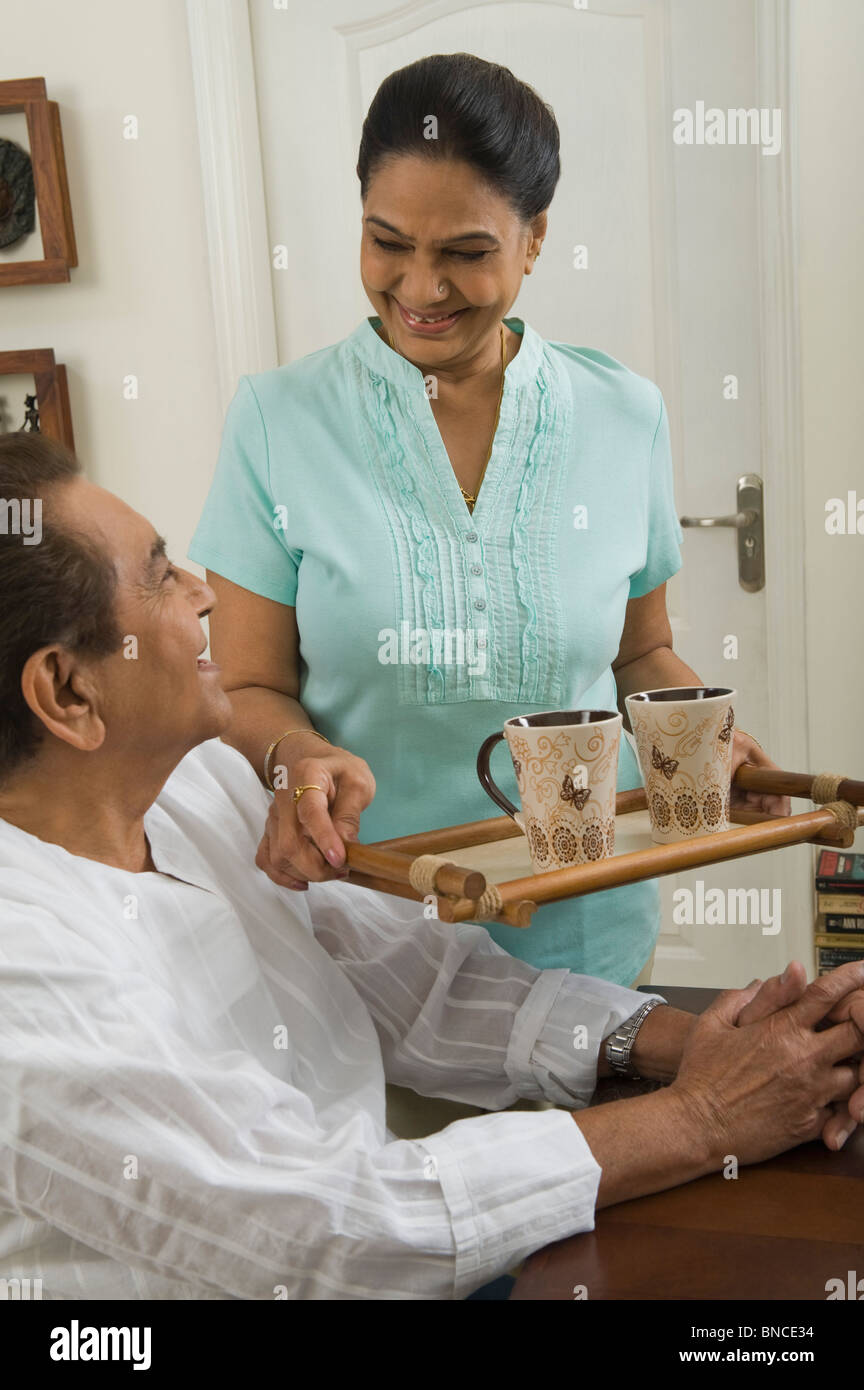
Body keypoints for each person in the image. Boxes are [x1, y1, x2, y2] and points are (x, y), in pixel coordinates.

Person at [0, 432, 861, 1301]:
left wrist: (746, 1049)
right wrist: (707, 1114)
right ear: (68, 692)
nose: (203, 594)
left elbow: (415, 984)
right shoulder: (22, 975)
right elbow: (335, 1232)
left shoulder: (196, 784)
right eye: (159, 576)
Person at [188, 52, 789, 1000]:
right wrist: (295, 757)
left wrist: (709, 745)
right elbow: (251, 683)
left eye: (466, 253)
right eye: (388, 243)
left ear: (535, 237)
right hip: (364, 935)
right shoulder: (277, 419)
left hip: (588, 925)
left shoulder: (623, 411)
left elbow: (644, 656)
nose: (421, 290)